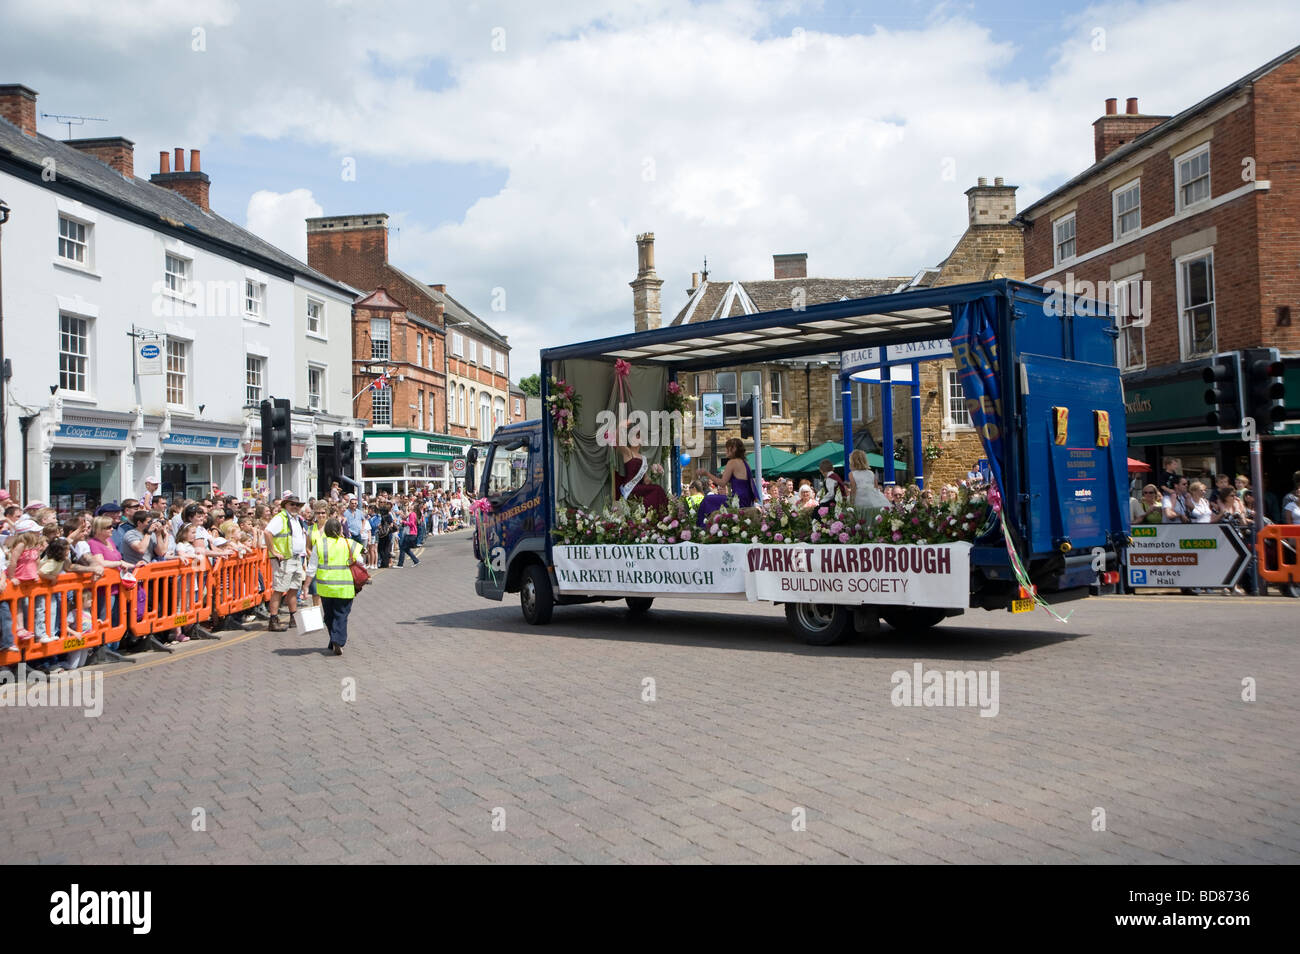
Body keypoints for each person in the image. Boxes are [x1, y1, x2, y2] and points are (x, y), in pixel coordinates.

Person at [314, 517, 364, 656]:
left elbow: (312, 567)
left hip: (326, 587)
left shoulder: (320, 544)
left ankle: (333, 640)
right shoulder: (349, 543)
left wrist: (306, 586)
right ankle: (337, 641)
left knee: (329, 616)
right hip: (344, 587)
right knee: (341, 615)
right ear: (340, 529)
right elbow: (360, 562)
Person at [263, 493, 308, 631]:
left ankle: (293, 618)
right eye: (292, 504)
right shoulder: (280, 518)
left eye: (297, 505)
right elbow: (267, 532)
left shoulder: (297, 519)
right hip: (284, 559)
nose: (295, 507)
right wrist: (274, 551)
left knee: (294, 588)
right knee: (279, 589)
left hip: (295, 557)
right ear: (285, 505)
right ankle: (273, 619)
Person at [695, 438, 758, 525]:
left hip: (737, 500)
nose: (726, 451)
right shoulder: (745, 463)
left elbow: (722, 483)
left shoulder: (732, 462)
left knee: (707, 500)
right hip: (746, 500)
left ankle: (701, 528)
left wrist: (707, 473)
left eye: (728, 448)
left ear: (734, 449)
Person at [614, 438, 669, 512]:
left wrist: (653, 476)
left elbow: (646, 480)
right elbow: (618, 441)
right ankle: (657, 515)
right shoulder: (628, 452)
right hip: (631, 489)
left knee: (658, 490)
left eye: (638, 437)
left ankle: (659, 515)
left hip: (640, 488)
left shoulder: (644, 458)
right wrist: (621, 426)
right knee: (657, 489)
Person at [396, 503, 421, 567]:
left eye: (411, 505)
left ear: (413, 508)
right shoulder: (411, 514)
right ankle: (416, 561)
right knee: (406, 549)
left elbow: (412, 524)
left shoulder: (412, 514)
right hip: (410, 533)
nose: (410, 506)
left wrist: (403, 522)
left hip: (411, 533)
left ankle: (400, 564)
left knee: (402, 548)